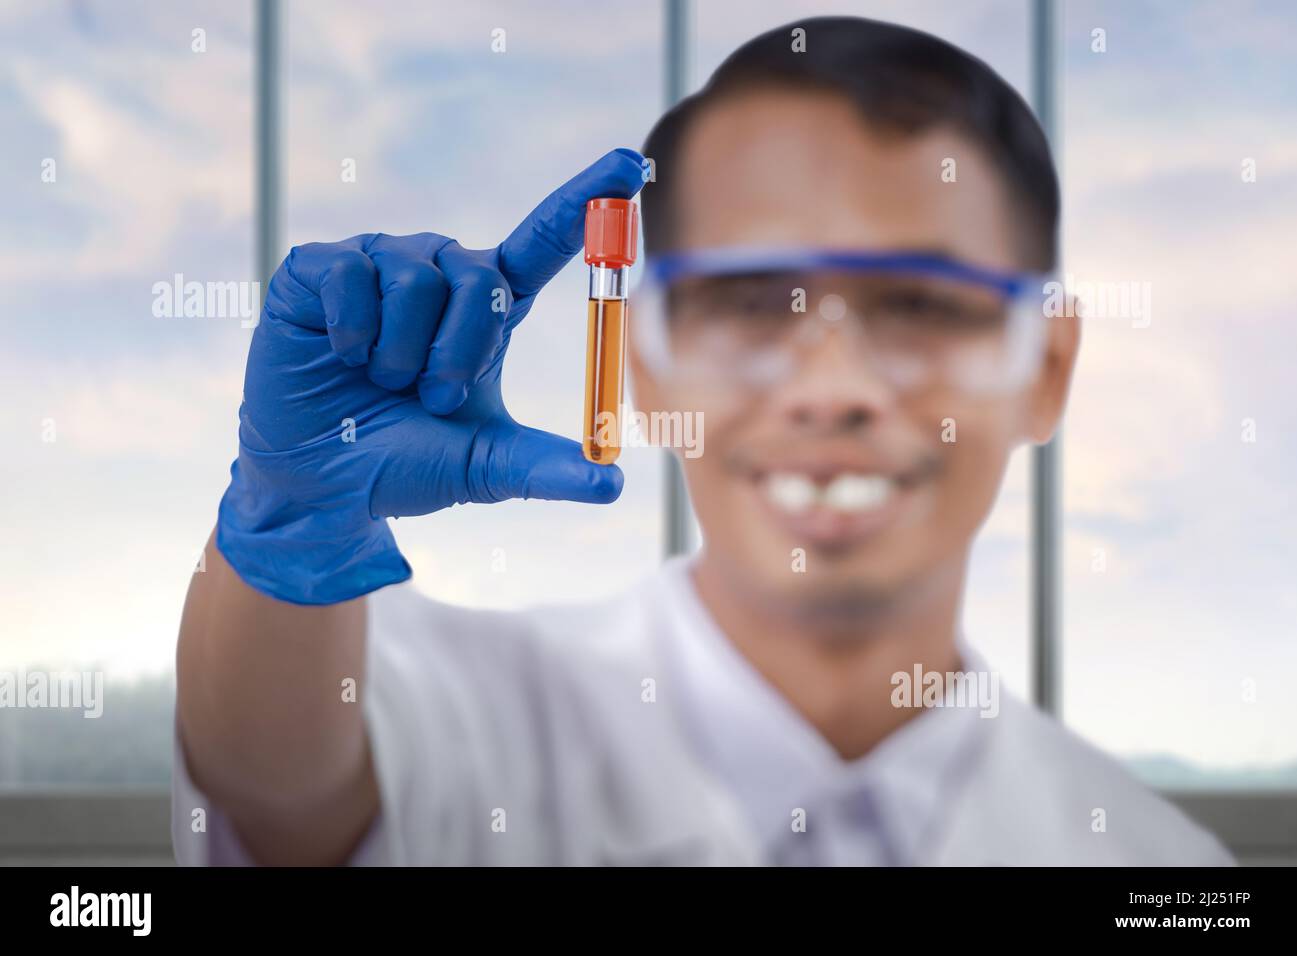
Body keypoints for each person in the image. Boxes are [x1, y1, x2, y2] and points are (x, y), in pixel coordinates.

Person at [173, 16, 1231, 866]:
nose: (832, 387)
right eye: (752, 300)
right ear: (645, 357)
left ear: (1044, 366)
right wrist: (289, 533)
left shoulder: (1155, 868)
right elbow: (275, 780)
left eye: (917, 303)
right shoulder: (464, 715)